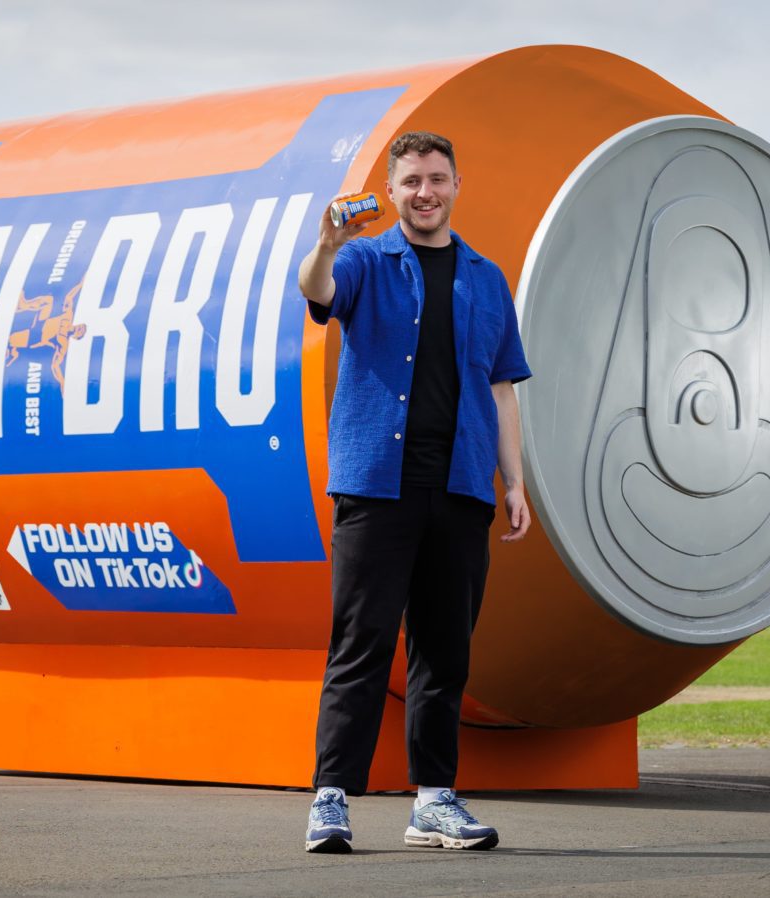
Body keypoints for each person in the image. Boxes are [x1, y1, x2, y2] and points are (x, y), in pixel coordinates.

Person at [296, 131, 531, 853]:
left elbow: (502, 388)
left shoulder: (487, 279)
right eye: (411, 182)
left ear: (457, 184)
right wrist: (327, 245)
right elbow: (316, 291)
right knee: (361, 644)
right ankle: (331, 799)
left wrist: (515, 482)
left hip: (460, 487)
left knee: (444, 653)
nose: (424, 192)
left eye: (436, 178)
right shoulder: (363, 260)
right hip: (377, 485)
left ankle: (433, 803)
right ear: (392, 192)